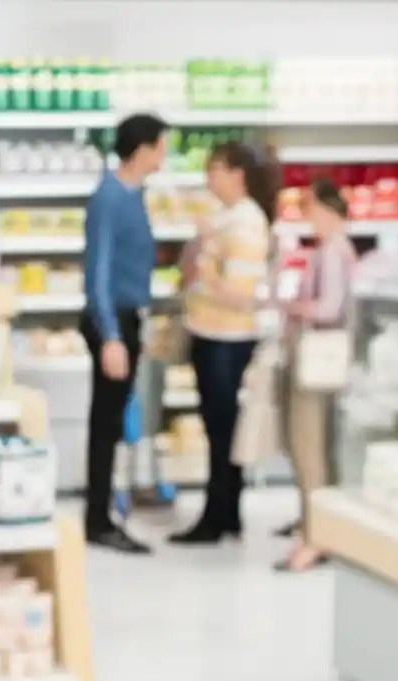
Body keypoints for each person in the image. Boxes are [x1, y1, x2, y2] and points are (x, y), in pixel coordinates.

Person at [171, 141, 280, 545]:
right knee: (220, 428)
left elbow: (239, 293)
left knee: (221, 430)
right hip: (211, 333)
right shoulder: (224, 217)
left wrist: (205, 274)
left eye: (215, 169)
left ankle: (216, 516)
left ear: (237, 174)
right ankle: (226, 511)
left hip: (226, 338)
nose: (208, 177)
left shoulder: (246, 222)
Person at [81, 112, 168, 555]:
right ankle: (97, 518)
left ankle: (102, 514)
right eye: (162, 145)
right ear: (144, 148)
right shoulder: (110, 198)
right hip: (110, 317)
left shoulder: (134, 195)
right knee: (106, 421)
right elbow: (96, 273)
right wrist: (111, 335)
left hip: (127, 314)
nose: (165, 154)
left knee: (113, 420)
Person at [274, 178, 357, 572]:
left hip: (315, 360)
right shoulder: (337, 250)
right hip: (322, 361)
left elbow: (329, 308)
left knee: (308, 447)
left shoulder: (332, 252)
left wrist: (292, 307)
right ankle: (319, 528)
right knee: (317, 448)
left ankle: (315, 537)